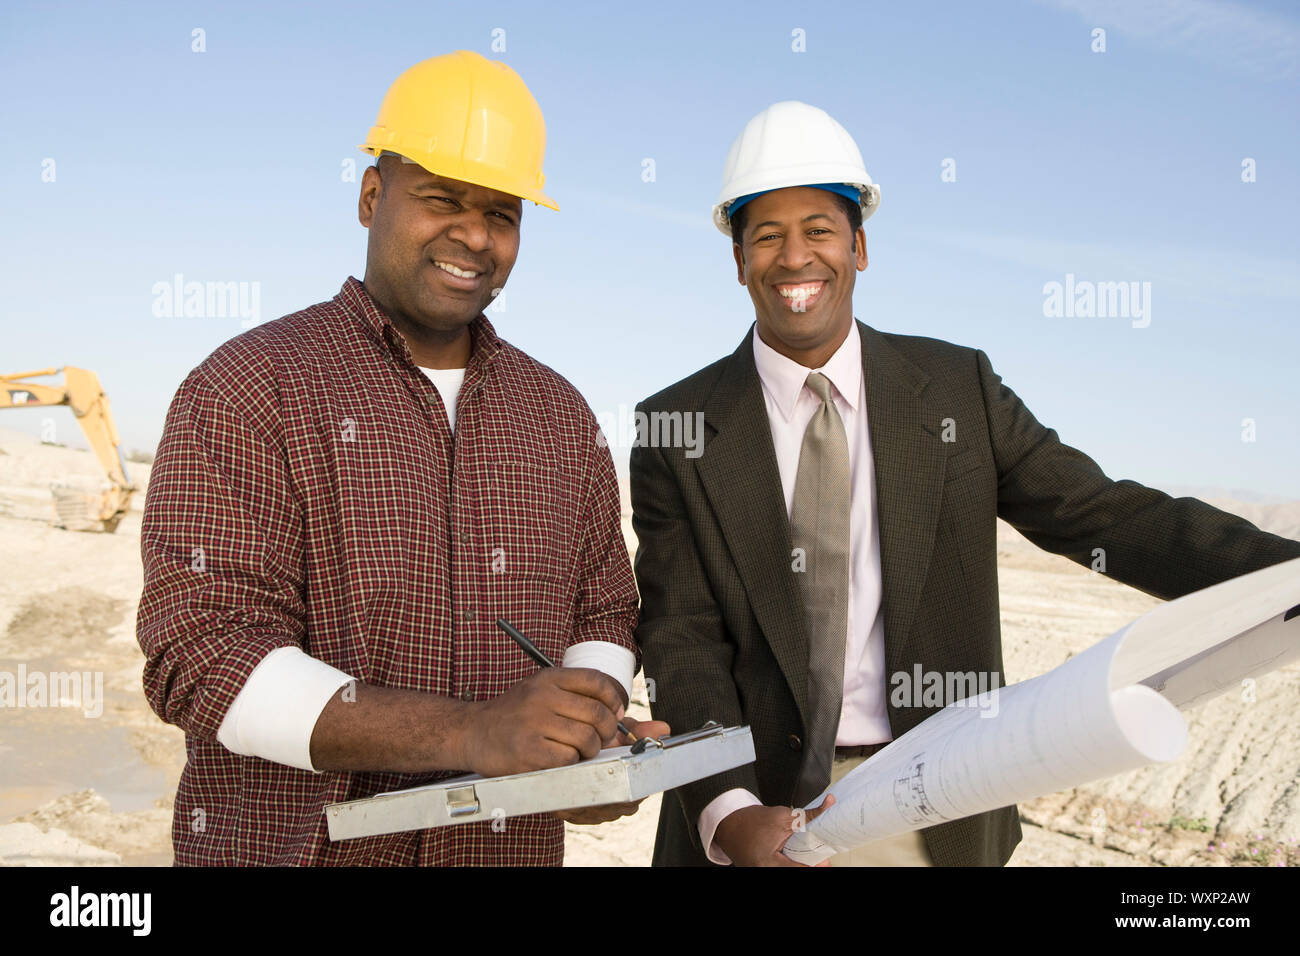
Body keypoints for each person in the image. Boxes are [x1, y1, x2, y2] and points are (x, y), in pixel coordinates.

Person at [629, 100, 1300, 867]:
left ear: (860, 246)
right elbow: (682, 638)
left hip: (929, 810)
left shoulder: (956, 390)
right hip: (755, 818)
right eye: (768, 235)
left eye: (819, 229)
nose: (794, 258)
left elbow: (1100, 515)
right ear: (739, 258)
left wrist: (1286, 577)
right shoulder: (674, 426)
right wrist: (728, 811)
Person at [136, 50, 666, 867]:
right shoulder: (250, 386)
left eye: (502, 213)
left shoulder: (560, 417)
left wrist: (582, 738)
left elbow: (602, 610)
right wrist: (477, 731)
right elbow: (204, 652)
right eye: (442, 200)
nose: (474, 236)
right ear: (371, 196)